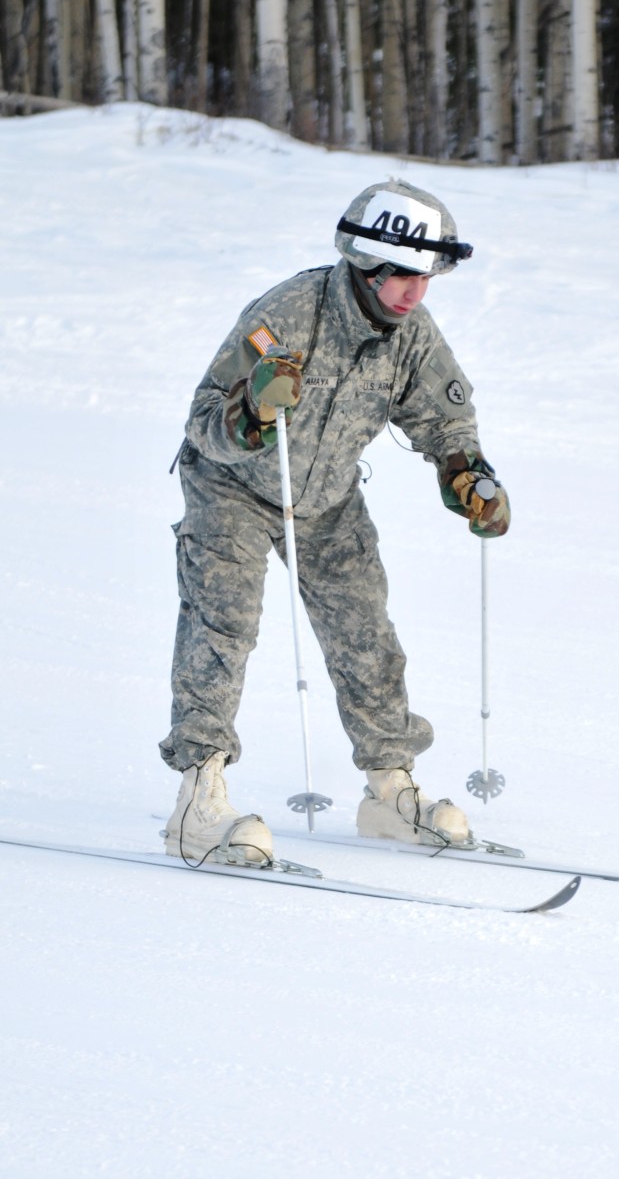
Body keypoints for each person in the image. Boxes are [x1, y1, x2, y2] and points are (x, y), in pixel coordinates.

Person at [159, 179, 510, 867]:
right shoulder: (288, 312)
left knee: (365, 633)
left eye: (428, 275)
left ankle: (389, 792)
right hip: (233, 485)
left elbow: (442, 418)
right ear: (367, 265)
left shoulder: (411, 334)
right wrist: (255, 414)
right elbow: (204, 422)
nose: (416, 291)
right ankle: (198, 799)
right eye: (404, 275)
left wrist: (466, 474)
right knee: (222, 628)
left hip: (325, 498)